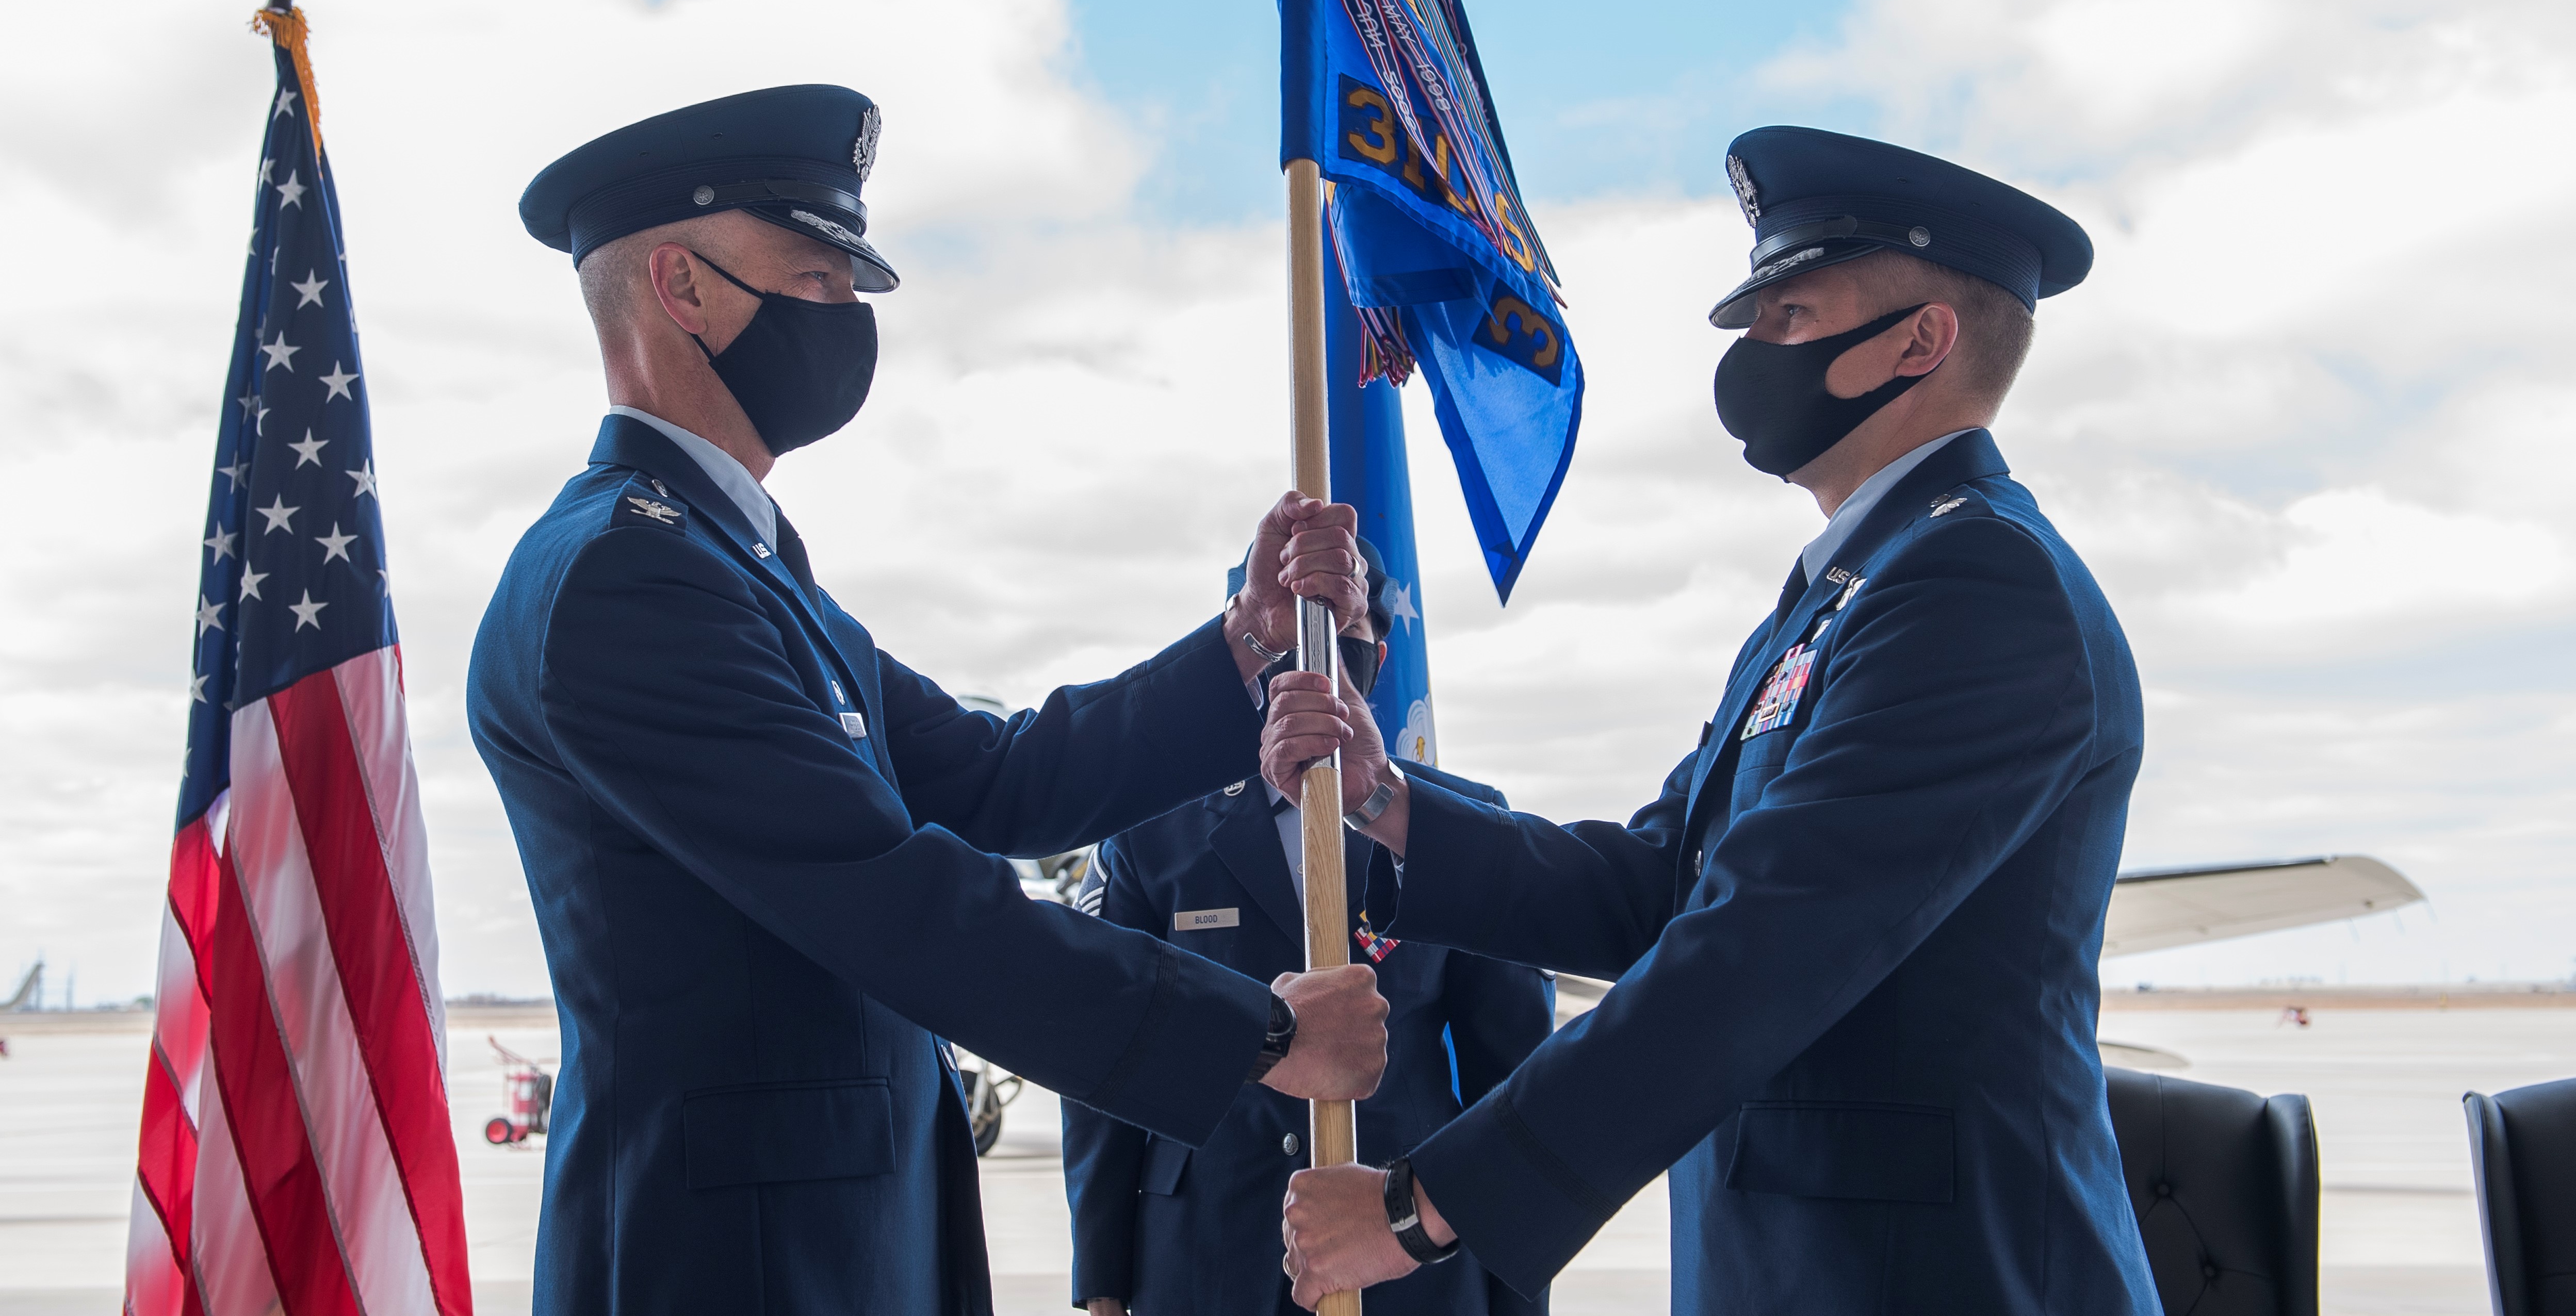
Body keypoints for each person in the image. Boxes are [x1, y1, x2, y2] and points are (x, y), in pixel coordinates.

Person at [467, 85, 1390, 1316]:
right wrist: (1255, 1035)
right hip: (735, 1263)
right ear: (681, 287)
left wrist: (1246, 640)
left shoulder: (740, 567)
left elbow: (999, 777)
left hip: (842, 1242)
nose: (847, 316)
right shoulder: (627, 578)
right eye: (814, 276)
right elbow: (892, 894)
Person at [1266, 126, 2162, 1314]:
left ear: (1921, 341)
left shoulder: (1977, 586)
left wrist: (1418, 1206)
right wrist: (1384, 800)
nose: (1749, 351)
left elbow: (1759, 946)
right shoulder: (1841, 594)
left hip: (1936, 1277)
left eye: (1790, 315)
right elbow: (1661, 884)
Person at [1061, 544, 1553, 1316]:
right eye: (1289, 632)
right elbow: (1106, 1060)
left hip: (1408, 1262)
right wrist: (1102, 1283)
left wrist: (1518, 1297)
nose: (1312, 657)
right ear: (1244, 651)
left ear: (1378, 658)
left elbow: (1514, 1078)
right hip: (1202, 1256)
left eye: (1340, 631)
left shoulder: (1460, 827)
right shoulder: (1151, 833)